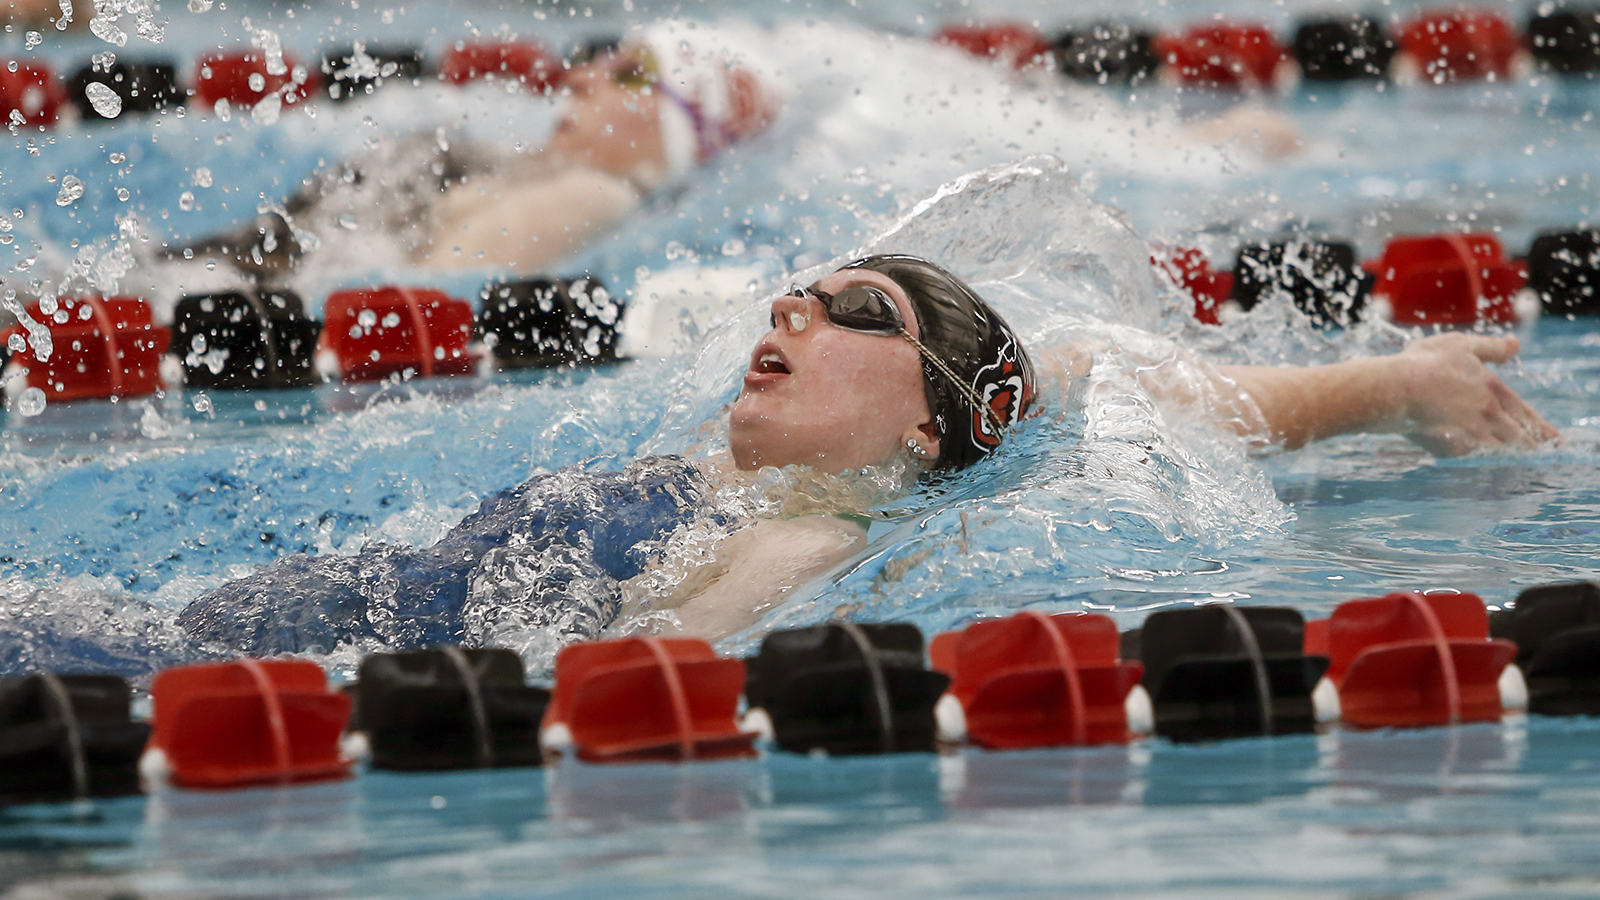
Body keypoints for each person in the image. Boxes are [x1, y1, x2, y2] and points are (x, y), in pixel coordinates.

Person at [172, 252, 1560, 669]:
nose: (793, 316)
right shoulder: (824, 467)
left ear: (923, 427)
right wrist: (1380, 385)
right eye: (797, 298)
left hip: (192, 667)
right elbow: (1091, 373)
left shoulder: (803, 536)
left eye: (856, 317)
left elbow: (616, 677)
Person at [178, 31, 778, 281]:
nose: (579, 79)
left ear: (683, 128)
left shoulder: (597, 196)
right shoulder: (519, 166)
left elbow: (430, 282)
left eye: (629, 74)